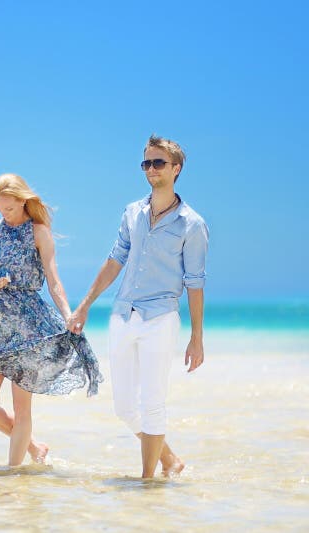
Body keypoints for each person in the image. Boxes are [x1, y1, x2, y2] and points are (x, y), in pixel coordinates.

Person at [66, 135, 209, 479]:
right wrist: (84, 305)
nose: (151, 169)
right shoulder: (133, 212)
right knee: (124, 407)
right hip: (122, 314)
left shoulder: (192, 224)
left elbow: (195, 281)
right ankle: (169, 459)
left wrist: (197, 337)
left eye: (158, 163)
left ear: (176, 169)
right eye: (146, 162)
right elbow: (116, 259)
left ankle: (147, 483)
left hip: (160, 317)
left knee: (153, 402)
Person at [0, 173, 103, 467]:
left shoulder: (40, 232)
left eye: (10, 209)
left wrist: (69, 314)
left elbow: (54, 281)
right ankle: (34, 448)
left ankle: (14, 478)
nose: (4, 214)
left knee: (22, 409)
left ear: (23, 201)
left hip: (30, 328)